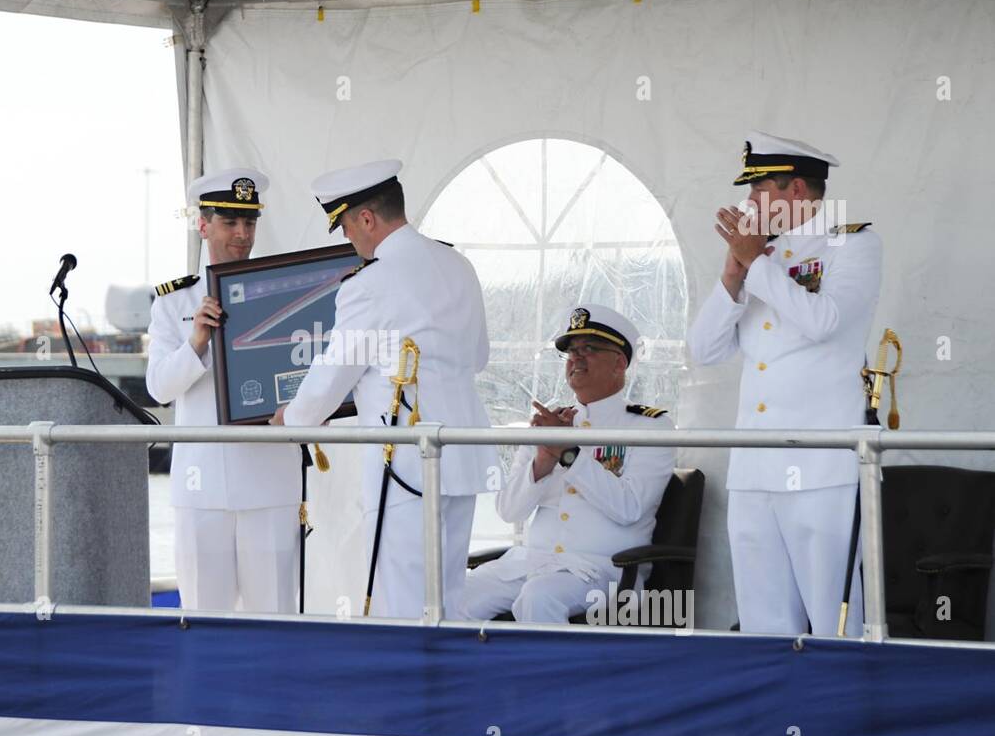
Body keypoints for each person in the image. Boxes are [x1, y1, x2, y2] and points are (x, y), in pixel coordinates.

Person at [270, 160, 498, 618]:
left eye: (347, 228)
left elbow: (334, 371)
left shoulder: (370, 284)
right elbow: (478, 357)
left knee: (404, 600)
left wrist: (292, 418)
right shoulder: (459, 265)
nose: (349, 241)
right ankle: (447, 687)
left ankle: (412, 688)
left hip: (407, 467)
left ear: (367, 219)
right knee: (449, 596)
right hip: (463, 456)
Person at [687, 132, 882, 636]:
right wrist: (732, 276)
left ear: (796, 191)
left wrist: (756, 264)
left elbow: (824, 320)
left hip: (822, 467)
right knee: (762, 621)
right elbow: (705, 351)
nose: (748, 204)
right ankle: (779, 716)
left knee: (834, 616)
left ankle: (841, 714)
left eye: (758, 192)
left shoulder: (853, 243)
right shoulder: (758, 258)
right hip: (754, 467)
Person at [456, 305, 675, 623]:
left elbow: (630, 509)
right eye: (571, 351)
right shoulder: (550, 423)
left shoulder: (650, 427)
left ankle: (548, 675)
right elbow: (508, 511)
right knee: (454, 596)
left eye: (589, 349)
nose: (576, 358)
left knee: (541, 598)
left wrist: (569, 453)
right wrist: (544, 459)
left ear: (620, 363)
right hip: (533, 562)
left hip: (601, 570)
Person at [146, 168, 301, 612]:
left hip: (269, 480)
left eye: (249, 223)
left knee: (274, 620)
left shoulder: (279, 292)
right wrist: (196, 340)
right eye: (230, 222)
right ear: (203, 224)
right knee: (203, 619)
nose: (242, 234)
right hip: (203, 488)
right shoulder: (173, 302)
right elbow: (158, 388)